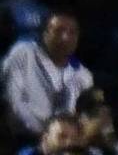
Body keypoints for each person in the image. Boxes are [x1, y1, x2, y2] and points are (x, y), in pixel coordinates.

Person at [4, 11, 92, 141]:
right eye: (58, 31)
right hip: (18, 137)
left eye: (72, 33)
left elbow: (78, 116)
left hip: (62, 142)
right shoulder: (24, 53)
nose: (65, 38)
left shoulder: (83, 75)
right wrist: (44, 133)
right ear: (44, 33)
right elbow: (14, 103)